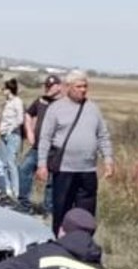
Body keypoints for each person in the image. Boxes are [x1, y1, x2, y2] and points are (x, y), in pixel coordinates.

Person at [37, 70, 115, 236]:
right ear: (67, 87)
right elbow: (45, 138)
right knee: (61, 211)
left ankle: (82, 246)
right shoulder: (56, 109)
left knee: (86, 214)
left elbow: (102, 135)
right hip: (64, 170)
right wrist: (42, 164)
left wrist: (108, 159)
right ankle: (59, 244)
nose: (83, 90)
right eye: (79, 86)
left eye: (85, 86)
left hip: (87, 170)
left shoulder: (93, 109)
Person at [19, 75, 64, 214]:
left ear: (59, 86)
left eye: (50, 86)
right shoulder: (40, 101)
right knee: (24, 170)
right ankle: (23, 206)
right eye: (46, 86)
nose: (47, 88)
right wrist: (29, 132)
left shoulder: (65, 104)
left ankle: (48, 210)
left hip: (55, 149)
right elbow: (28, 114)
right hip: (37, 147)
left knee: (52, 180)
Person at [0, 79, 26, 187]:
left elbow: (20, 119)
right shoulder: (7, 102)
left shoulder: (17, 101)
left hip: (13, 135)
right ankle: (7, 187)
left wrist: (10, 129)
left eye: (4, 88)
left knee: (11, 163)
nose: (2, 91)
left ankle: (16, 189)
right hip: (4, 134)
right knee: (5, 162)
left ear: (9, 89)